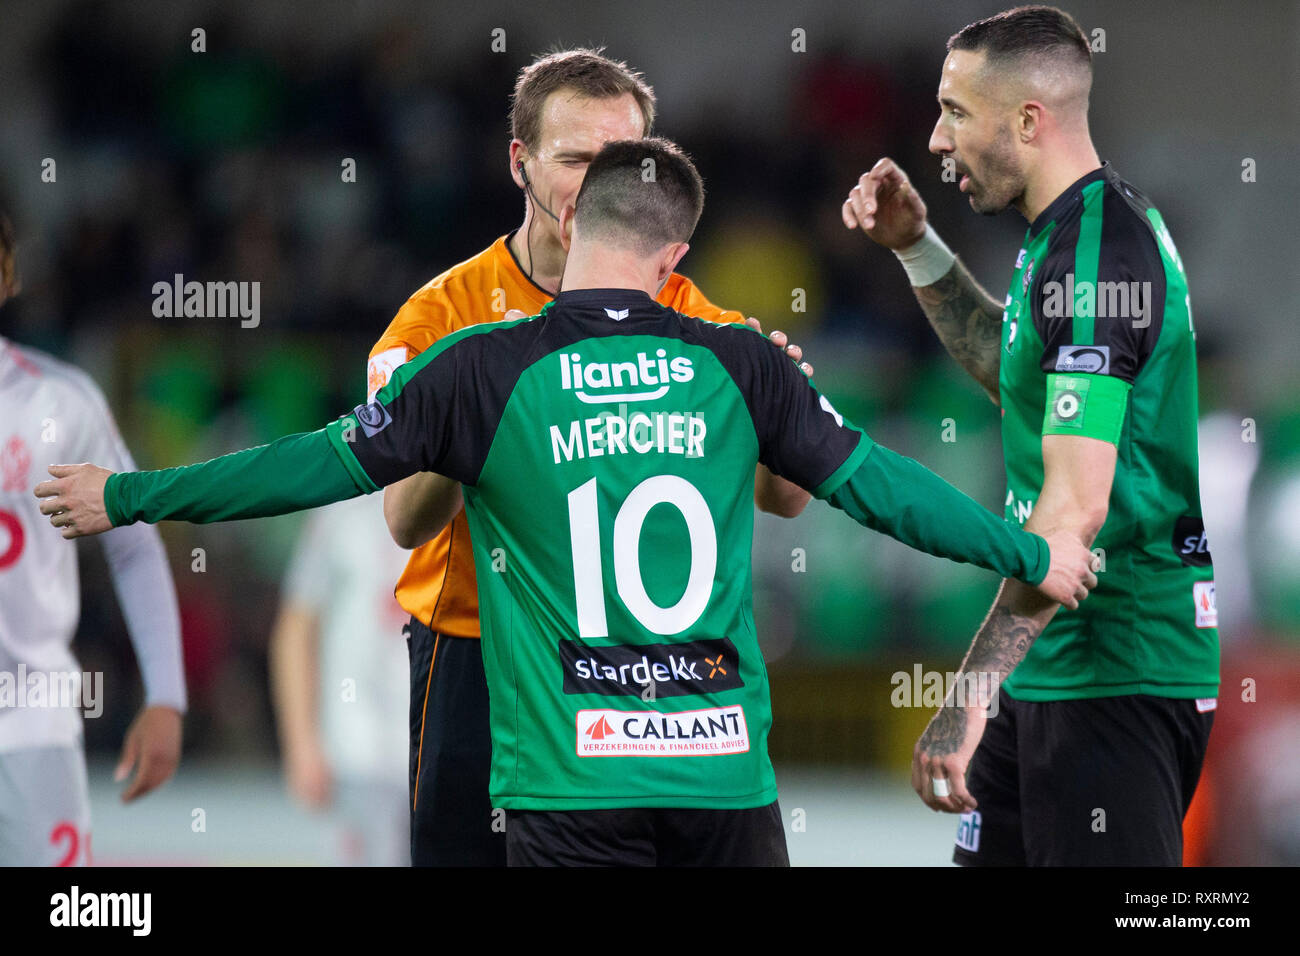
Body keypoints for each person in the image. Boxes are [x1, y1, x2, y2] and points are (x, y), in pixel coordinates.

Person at [36, 137, 1098, 866]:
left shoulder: (477, 369)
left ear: (572, 217)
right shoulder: (739, 361)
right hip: (724, 790)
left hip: (566, 792)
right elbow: (878, 484)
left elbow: (310, 464)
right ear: (675, 258)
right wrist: (1027, 550)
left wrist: (129, 492)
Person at [366, 48, 811, 866]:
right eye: (574, 159)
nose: (596, 185)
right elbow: (402, 520)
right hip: (471, 654)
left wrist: (781, 405)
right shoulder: (440, 317)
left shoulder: (689, 313)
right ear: (520, 162)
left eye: (620, 162)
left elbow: (784, 498)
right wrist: (473, 399)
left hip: (630, 665)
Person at [841, 5, 1218, 865]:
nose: (936, 138)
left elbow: (1072, 519)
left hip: (1116, 673)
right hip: (1056, 667)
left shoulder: (1097, 258)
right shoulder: (1067, 240)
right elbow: (1018, 379)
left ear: (1028, 120)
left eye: (955, 112)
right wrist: (918, 249)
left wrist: (968, 695)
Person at [0, 213, 186, 865]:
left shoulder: (60, 402)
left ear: (10, 274)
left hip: (31, 724)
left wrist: (166, 694)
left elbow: (133, 541)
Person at [268, 494, 410, 866]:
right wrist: (301, 741)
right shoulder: (341, 503)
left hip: (441, 749)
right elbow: (297, 625)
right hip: (357, 752)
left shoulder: (455, 489)